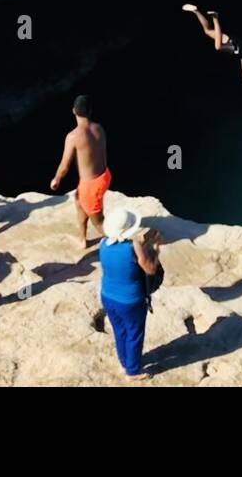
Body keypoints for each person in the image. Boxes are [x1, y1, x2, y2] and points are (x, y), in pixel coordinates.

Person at [98, 205, 163, 380]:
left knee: (120, 330)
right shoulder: (133, 246)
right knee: (134, 334)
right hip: (130, 300)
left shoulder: (102, 243)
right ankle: (132, 371)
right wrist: (156, 251)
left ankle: (124, 360)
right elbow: (150, 269)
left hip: (107, 296)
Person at [49, 94, 111, 250]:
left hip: (91, 185)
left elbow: (64, 167)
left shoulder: (73, 136)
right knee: (78, 200)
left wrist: (56, 180)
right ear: (90, 111)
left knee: (99, 222)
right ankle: (82, 239)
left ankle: (120, 247)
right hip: (104, 176)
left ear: (73, 111)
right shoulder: (99, 128)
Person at [181, 4, 242, 101]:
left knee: (208, 31)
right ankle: (215, 17)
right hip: (237, 47)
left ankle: (196, 11)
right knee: (218, 47)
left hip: (236, 41)